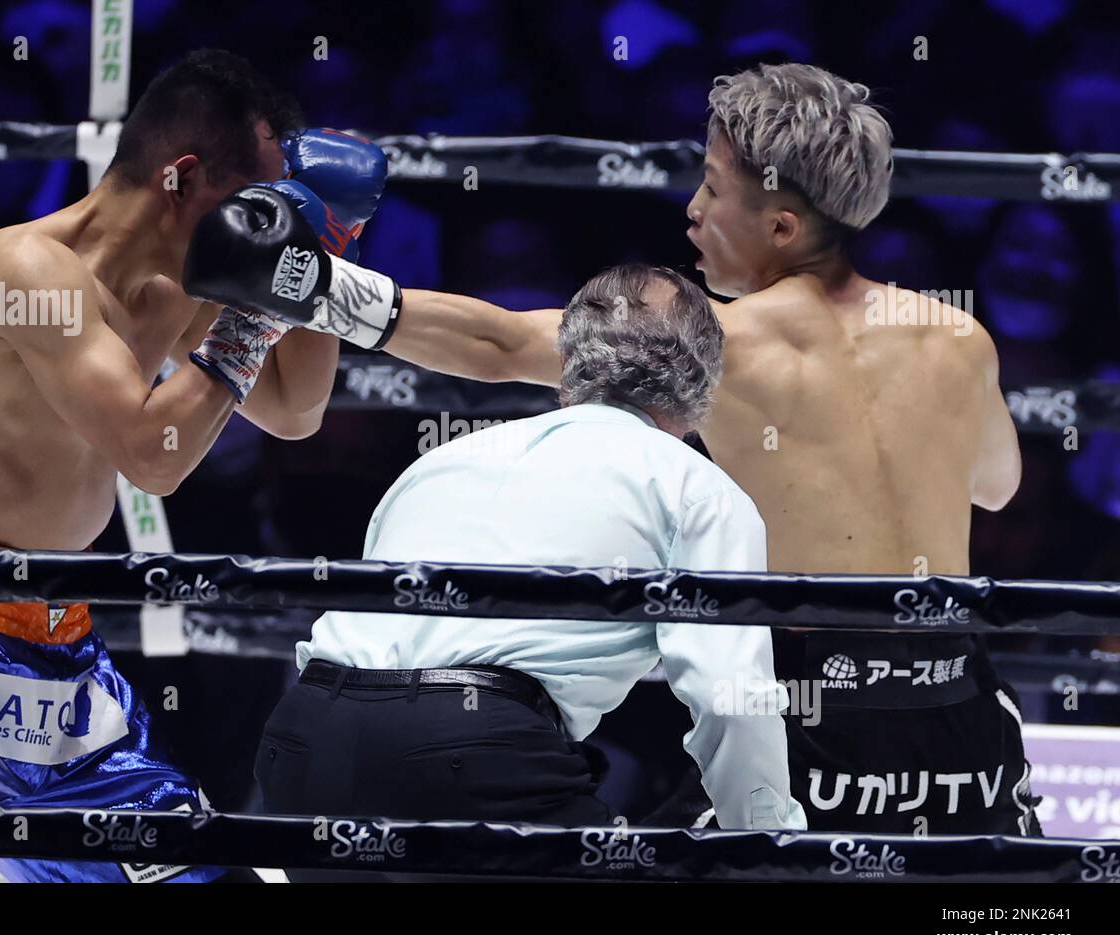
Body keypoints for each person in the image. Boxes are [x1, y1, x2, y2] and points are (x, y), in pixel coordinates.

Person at [256, 63, 1038, 835]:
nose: (692, 211)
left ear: (781, 226)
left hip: (810, 713)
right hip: (961, 717)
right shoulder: (958, 335)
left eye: (712, 186)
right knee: (990, 918)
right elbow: (997, 488)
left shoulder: (722, 340)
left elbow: (497, 344)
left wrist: (308, 281)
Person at [0, 48, 387, 882]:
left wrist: (323, 255)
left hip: (60, 645)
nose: (266, 227)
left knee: (205, 871)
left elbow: (294, 412)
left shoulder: (178, 286)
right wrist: (255, 312)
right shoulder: (25, 270)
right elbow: (152, 454)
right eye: (260, 207)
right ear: (184, 177)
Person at [251, 263, 805, 831]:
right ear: (702, 388)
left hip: (300, 745)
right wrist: (766, 839)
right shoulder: (698, 488)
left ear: (566, 367)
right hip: (470, 755)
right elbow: (730, 695)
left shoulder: (440, 462)